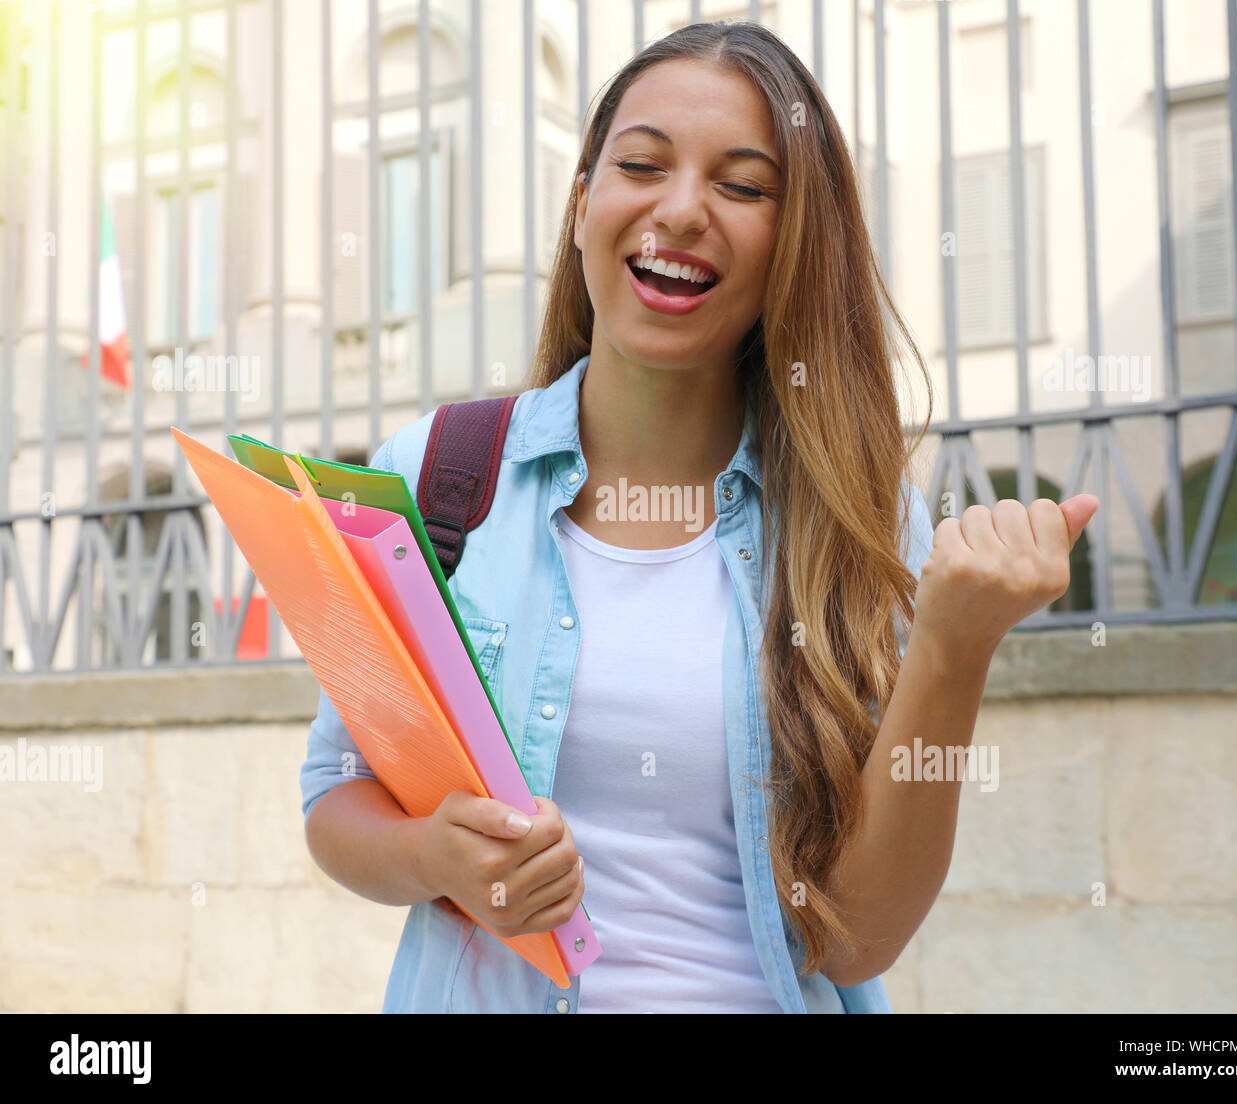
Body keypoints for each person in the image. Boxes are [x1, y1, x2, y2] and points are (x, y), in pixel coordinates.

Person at [299, 20, 1098, 1014]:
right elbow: (335, 795)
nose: (680, 211)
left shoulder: (855, 519)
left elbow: (859, 940)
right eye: (641, 166)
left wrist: (953, 647)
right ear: (582, 206)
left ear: (794, 244)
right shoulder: (436, 475)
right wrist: (435, 857)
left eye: (743, 186)